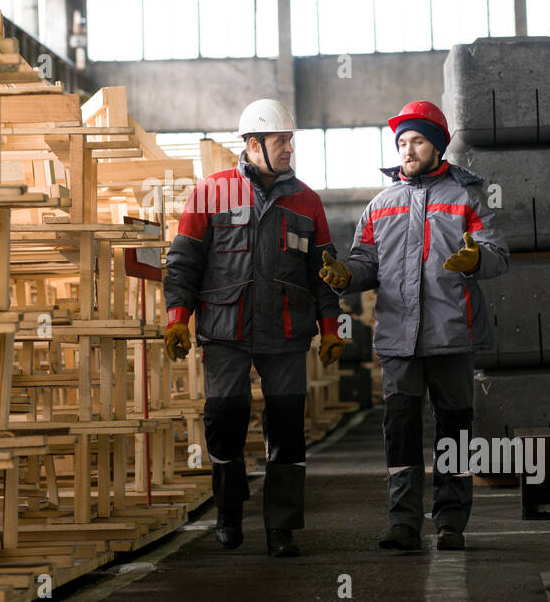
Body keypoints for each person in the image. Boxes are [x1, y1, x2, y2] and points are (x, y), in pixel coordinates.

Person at [318, 100, 509, 552]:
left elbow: (498, 254)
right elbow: (366, 261)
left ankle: (450, 523)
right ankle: (403, 522)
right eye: (402, 142)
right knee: (400, 427)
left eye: (417, 140)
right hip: (398, 339)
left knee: (455, 430)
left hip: (451, 334)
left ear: (438, 145)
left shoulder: (466, 198)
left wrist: (476, 257)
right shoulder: (381, 205)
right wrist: (347, 276)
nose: (407, 149)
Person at [163, 98, 344, 558]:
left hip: (285, 332)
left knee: (286, 430)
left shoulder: (307, 201)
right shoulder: (210, 193)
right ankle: (228, 511)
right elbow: (182, 264)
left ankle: (280, 528)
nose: (288, 149)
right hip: (225, 329)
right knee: (224, 421)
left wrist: (330, 328)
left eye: (290, 139)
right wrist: (176, 320)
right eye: (280, 140)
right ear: (252, 143)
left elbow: (324, 271)